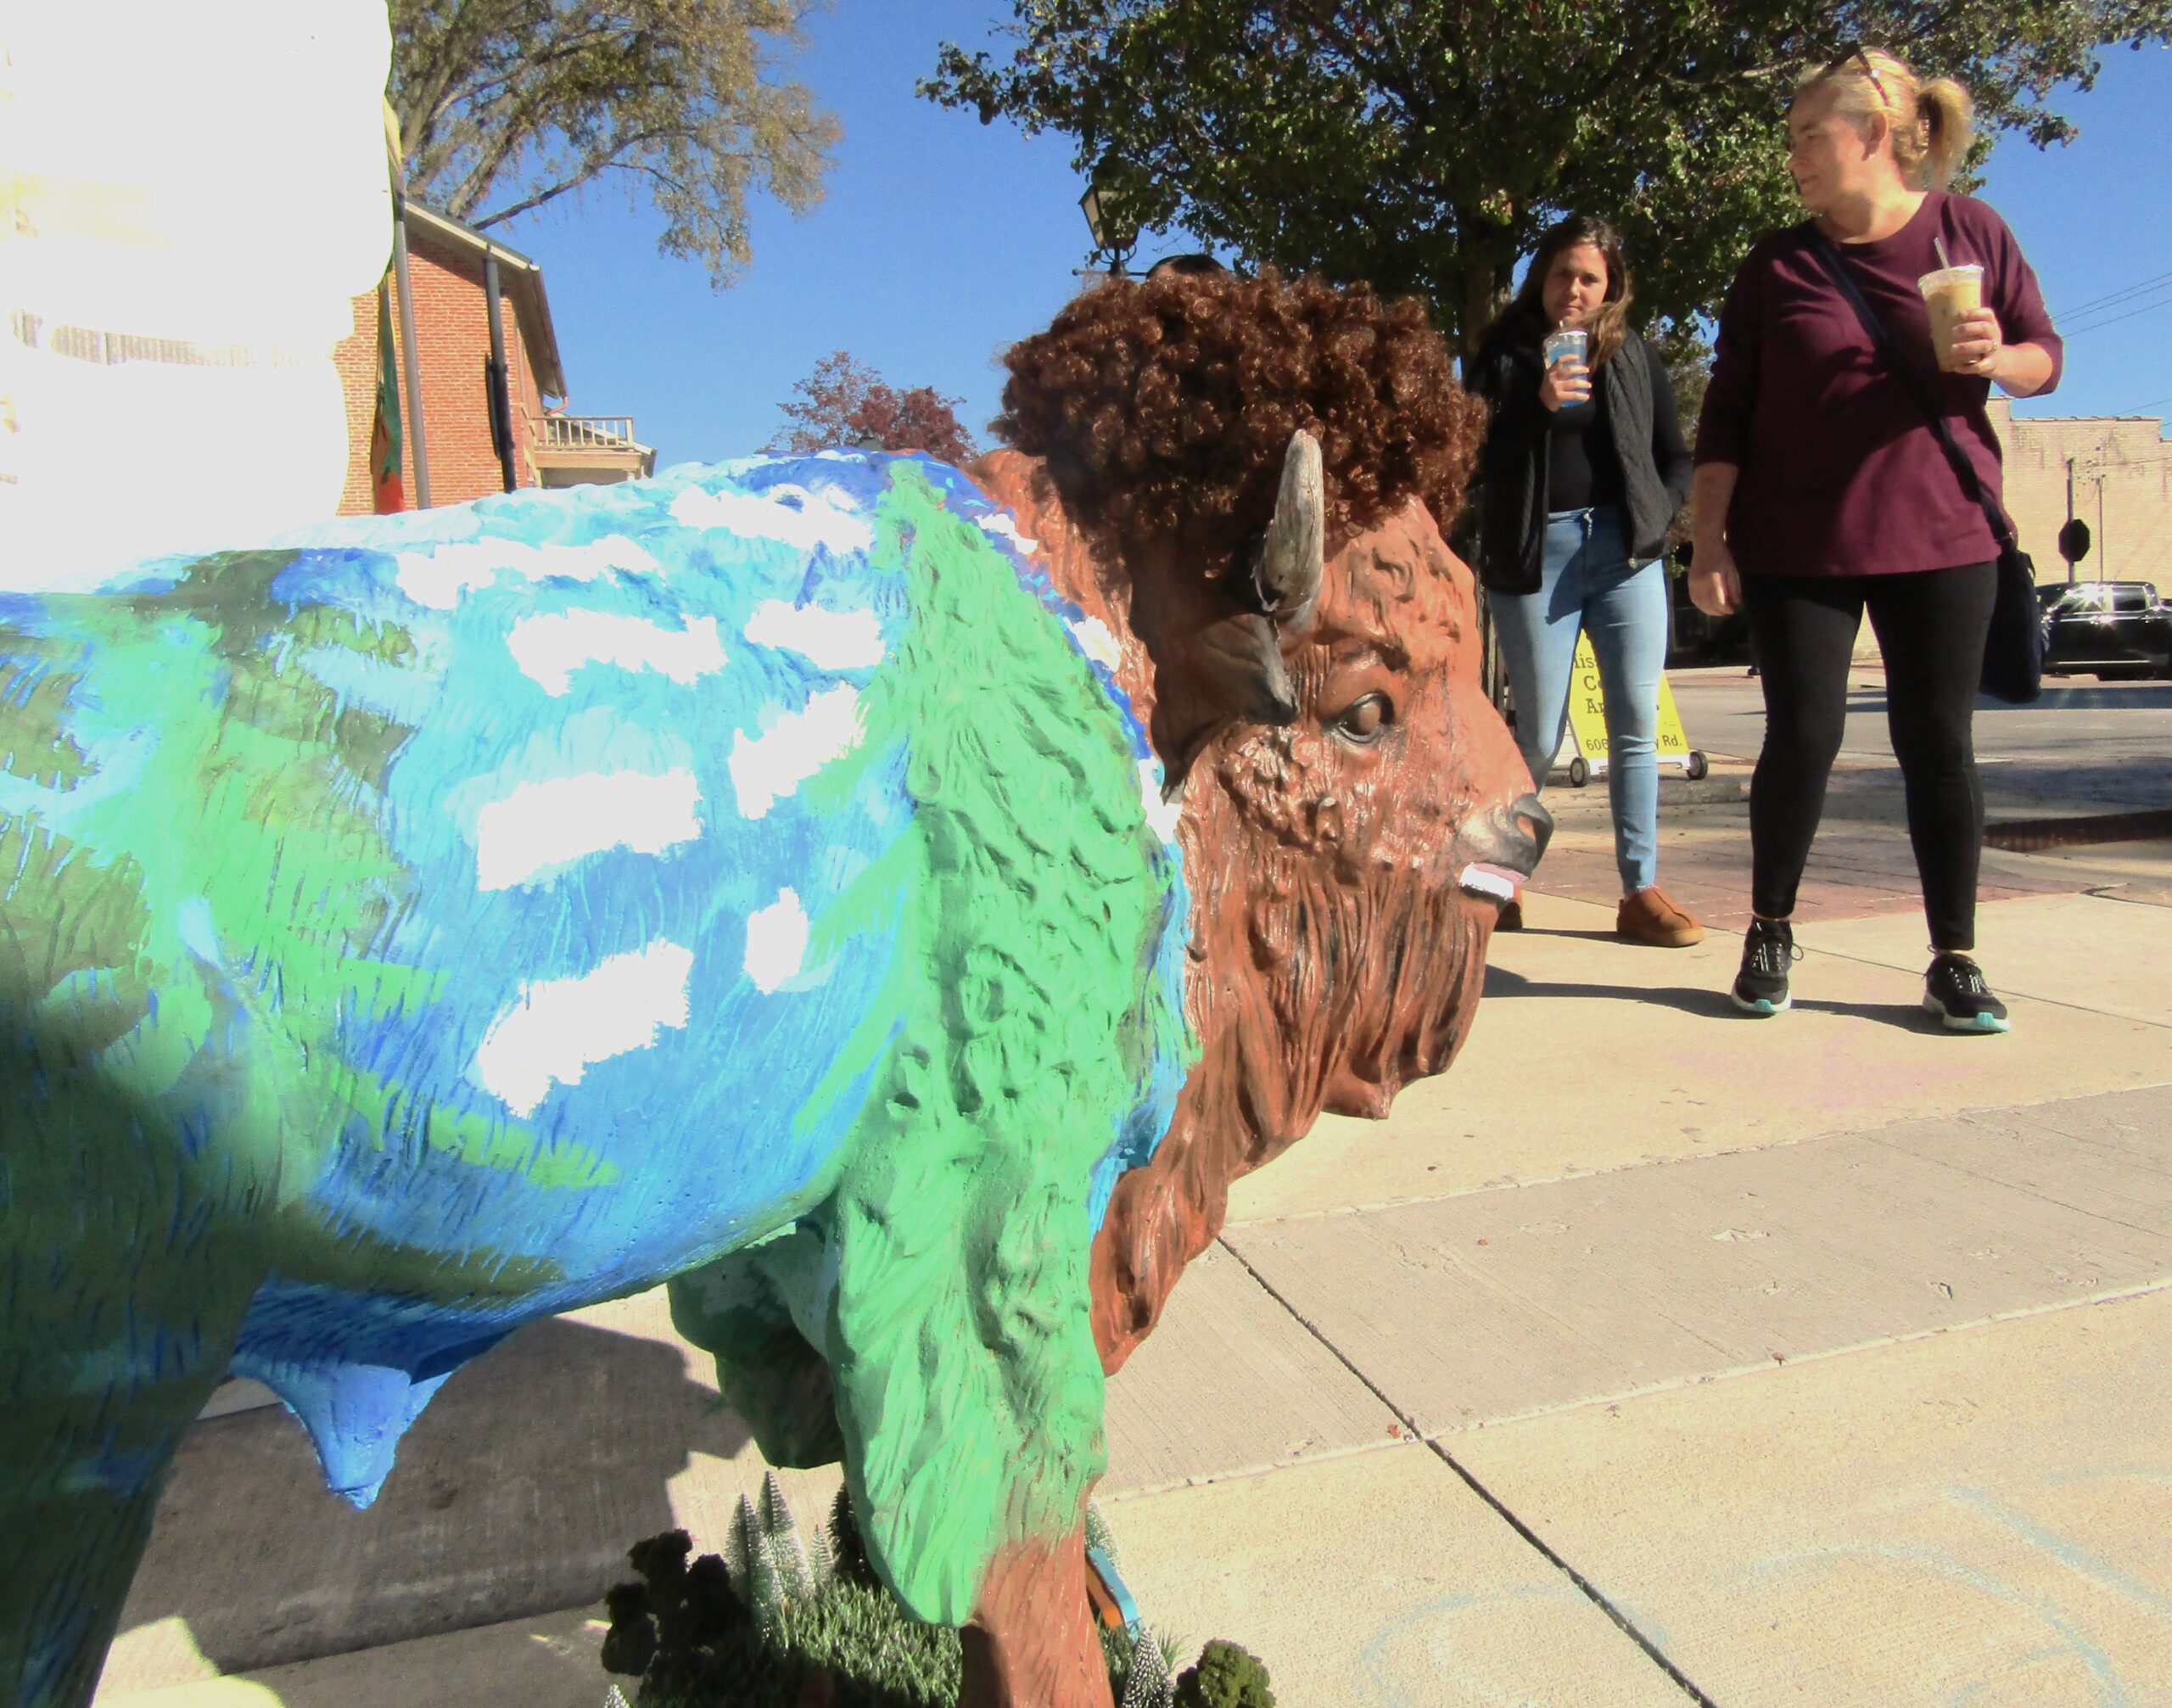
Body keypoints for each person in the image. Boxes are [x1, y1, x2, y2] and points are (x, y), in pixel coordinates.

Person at [1690, 47, 2060, 1031]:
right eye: (1792, 138)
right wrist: (1708, 541)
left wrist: (2002, 357)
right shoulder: (1775, 263)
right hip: (1794, 545)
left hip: (1942, 531)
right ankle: (1769, 929)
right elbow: (1726, 411)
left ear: (1873, 136)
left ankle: (1954, 959)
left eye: (1810, 135)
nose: (1794, 156)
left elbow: (2042, 355)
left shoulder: (1966, 232)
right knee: (1800, 740)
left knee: (1936, 744)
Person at [1471, 216, 1700, 945]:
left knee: (1635, 723)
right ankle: (1499, 880)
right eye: (1563, 273)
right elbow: (1473, 461)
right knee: (1536, 732)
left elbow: (1675, 455)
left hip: (1626, 554)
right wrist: (1534, 406)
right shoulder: (1501, 357)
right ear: (1541, 276)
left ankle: (1640, 892)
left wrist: (1657, 518)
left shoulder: (1633, 355)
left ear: (1611, 288)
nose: (1574, 289)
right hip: (1538, 555)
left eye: (1589, 278)